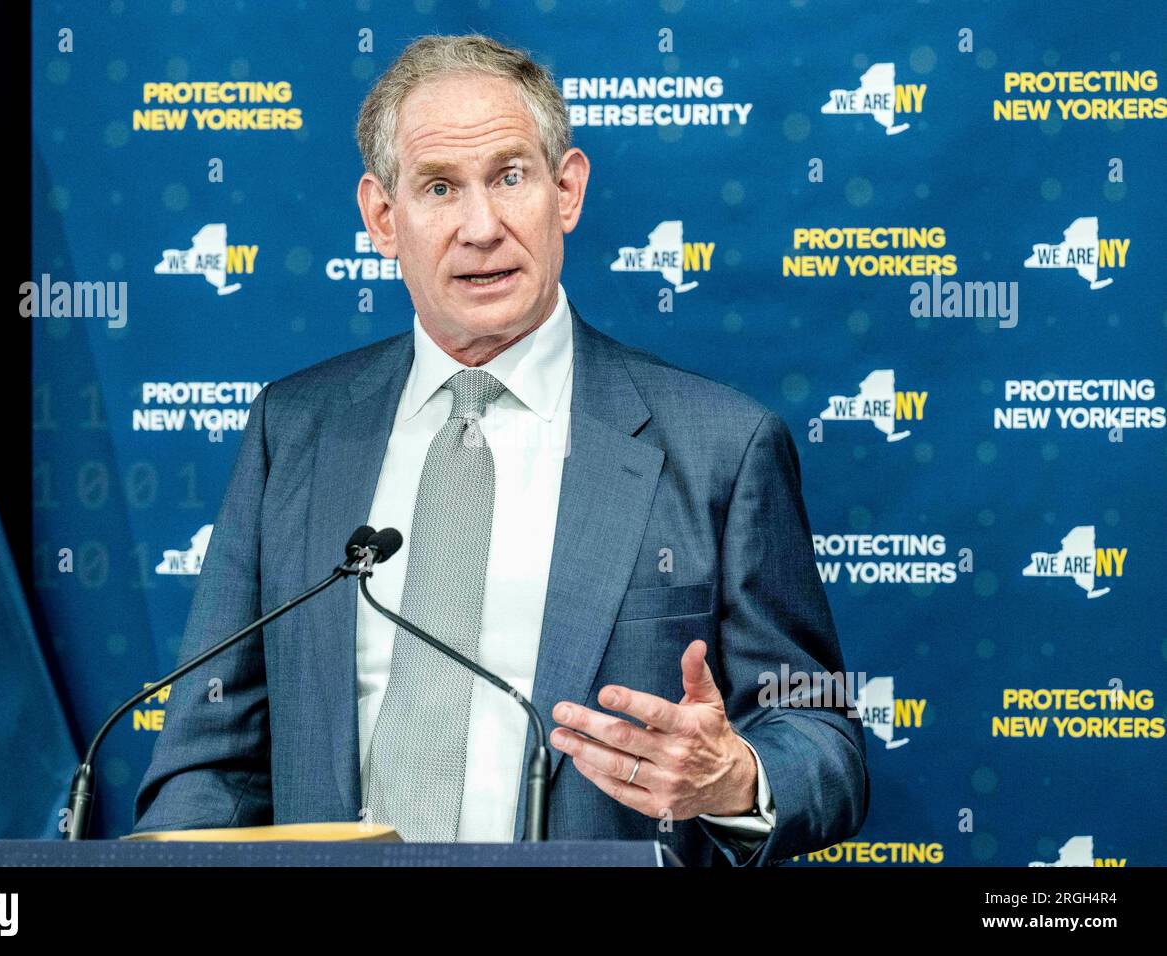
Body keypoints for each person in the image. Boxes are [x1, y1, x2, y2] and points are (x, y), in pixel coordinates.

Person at [133, 33, 867, 866]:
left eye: (510, 177)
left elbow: (822, 737)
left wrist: (736, 776)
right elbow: (210, 762)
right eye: (440, 187)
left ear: (566, 190)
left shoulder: (721, 447)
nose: (481, 228)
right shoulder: (293, 430)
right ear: (382, 217)